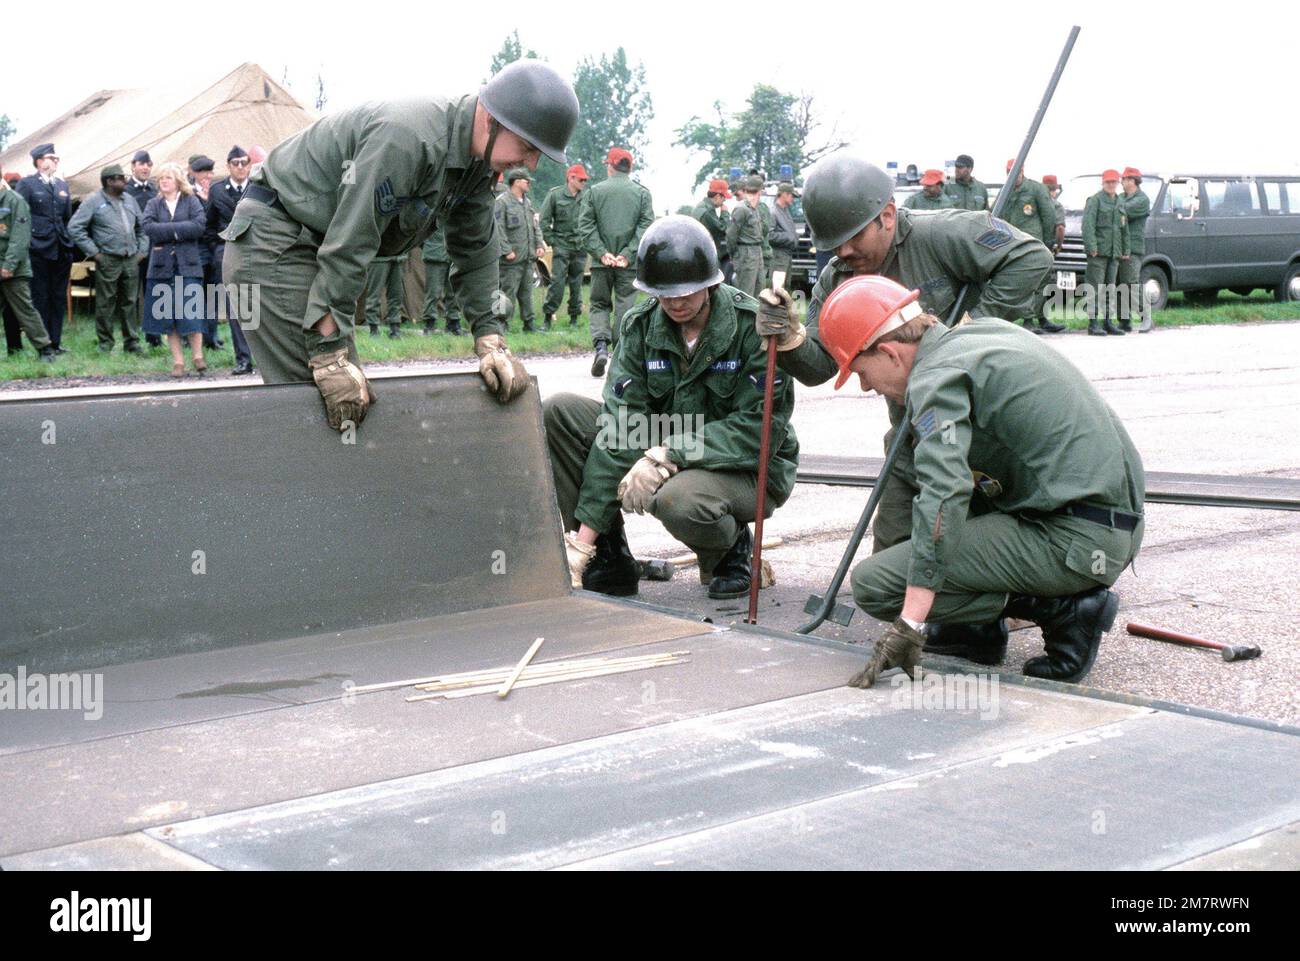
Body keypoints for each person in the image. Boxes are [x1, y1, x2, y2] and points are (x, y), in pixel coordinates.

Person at [755, 156, 1051, 665]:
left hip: (984, 427)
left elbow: (1031, 258)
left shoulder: (946, 234)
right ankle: (959, 620)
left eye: (854, 237)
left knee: (964, 527)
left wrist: (970, 334)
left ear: (888, 215)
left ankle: (1039, 608)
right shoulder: (838, 276)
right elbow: (824, 366)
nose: (845, 253)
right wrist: (790, 337)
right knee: (887, 572)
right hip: (915, 428)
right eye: (835, 244)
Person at [814, 275, 1144, 686]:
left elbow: (943, 491)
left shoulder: (934, 376)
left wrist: (911, 623)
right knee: (927, 549)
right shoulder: (978, 335)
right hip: (1105, 524)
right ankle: (978, 629)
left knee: (875, 585)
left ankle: (1064, 610)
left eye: (862, 371)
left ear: (890, 353)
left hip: (1077, 538)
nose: (865, 385)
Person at [221, 60, 579, 430]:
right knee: (319, 405)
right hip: (276, 243)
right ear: (490, 120)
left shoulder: (478, 163)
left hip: (315, 245)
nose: (532, 164)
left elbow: (476, 247)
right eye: (527, 146)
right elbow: (352, 240)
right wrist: (328, 351)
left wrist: (491, 337)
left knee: (345, 409)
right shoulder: (408, 138)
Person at [544, 215, 798, 600]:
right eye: (664, 294)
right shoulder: (642, 326)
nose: (676, 303)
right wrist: (584, 539)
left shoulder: (752, 327)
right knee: (560, 413)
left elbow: (756, 431)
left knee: (678, 500)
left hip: (745, 465)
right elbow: (622, 424)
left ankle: (732, 550)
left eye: (687, 293)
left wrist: (668, 455)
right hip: (668, 438)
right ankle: (606, 557)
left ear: (711, 283)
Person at [577, 146, 654, 377]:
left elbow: (585, 226)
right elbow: (646, 227)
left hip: (602, 263)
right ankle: (621, 354)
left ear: (610, 166)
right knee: (625, 304)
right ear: (630, 168)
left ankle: (601, 347)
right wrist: (628, 254)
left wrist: (601, 252)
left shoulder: (594, 192)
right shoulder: (642, 193)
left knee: (599, 304)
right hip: (627, 265)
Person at [67, 164, 148, 353]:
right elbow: (75, 227)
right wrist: (95, 253)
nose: (125, 181)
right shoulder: (93, 201)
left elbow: (142, 228)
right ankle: (105, 343)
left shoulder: (130, 200)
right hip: (108, 259)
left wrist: (142, 252)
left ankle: (132, 342)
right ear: (109, 181)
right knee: (105, 303)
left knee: (130, 301)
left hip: (131, 259)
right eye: (121, 178)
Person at [140, 162, 209, 377]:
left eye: (168, 178)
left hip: (187, 265)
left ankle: (198, 356)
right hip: (161, 268)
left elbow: (199, 226)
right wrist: (179, 231)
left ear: (178, 181)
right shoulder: (154, 203)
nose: (163, 182)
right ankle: (178, 361)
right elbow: (148, 227)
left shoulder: (191, 201)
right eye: (161, 178)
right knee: (167, 315)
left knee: (191, 311)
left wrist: (167, 232)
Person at [15, 144, 75, 353]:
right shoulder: (27, 184)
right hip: (38, 248)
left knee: (58, 296)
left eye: (57, 158)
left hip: (60, 247)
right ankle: (44, 344)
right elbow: (22, 216)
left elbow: (66, 216)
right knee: (40, 296)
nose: (56, 161)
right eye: (51, 157)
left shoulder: (62, 185)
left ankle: (56, 342)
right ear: (39, 161)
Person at [205, 146, 256, 374]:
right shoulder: (217, 191)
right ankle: (244, 359)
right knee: (235, 309)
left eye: (244, 162)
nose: (240, 167)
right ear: (228, 166)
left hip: (257, 254)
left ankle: (267, 359)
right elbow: (209, 225)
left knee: (260, 307)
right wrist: (218, 248)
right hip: (228, 254)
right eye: (235, 163)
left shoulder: (258, 188)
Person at [0, 164, 56, 361]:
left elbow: (20, 237)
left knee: (25, 310)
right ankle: (14, 350)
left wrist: (9, 265)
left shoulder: (15, 201)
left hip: (13, 268)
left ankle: (45, 349)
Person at [999, 159, 1061, 334]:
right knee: (1018, 282)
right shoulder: (1005, 191)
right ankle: (1026, 319)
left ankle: (1038, 318)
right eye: (1009, 171)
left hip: (1033, 243)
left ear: (1022, 171)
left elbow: (1048, 216)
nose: (1013, 174)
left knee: (1040, 281)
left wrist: (1048, 242)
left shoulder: (1036, 188)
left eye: (1016, 171)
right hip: (1011, 245)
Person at [539, 163, 589, 330]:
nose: (583, 182)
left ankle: (574, 319)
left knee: (577, 284)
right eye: (581, 179)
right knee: (557, 283)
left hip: (580, 247)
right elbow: (544, 221)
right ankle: (547, 318)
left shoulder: (587, 197)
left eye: (585, 180)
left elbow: (591, 220)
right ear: (571, 178)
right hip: (562, 245)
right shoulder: (555, 195)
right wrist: (554, 242)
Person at [495, 167, 544, 332]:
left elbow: (535, 226)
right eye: (526, 181)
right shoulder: (502, 202)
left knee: (527, 293)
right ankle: (500, 324)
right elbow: (498, 228)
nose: (529, 183)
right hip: (510, 258)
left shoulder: (527, 202)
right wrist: (506, 250)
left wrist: (539, 245)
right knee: (505, 292)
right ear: (516, 182)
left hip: (527, 257)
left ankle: (529, 324)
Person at [1082, 169, 1130, 336]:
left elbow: (1124, 229)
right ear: (1103, 183)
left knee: (1110, 288)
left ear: (1118, 183)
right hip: (1099, 253)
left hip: (1114, 253)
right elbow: (1088, 225)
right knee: (1095, 288)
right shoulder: (1095, 200)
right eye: (1108, 182)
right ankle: (1093, 323)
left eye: (1114, 182)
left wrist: (1125, 249)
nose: (1111, 185)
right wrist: (1092, 247)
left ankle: (1108, 321)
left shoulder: (1120, 202)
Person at [126, 149, 161, 348]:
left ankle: (153, 335)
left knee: (153, 291)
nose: (145, 168)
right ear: (133, 166)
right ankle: (131, 338)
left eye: (148, 164)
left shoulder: (155, 189)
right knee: (131, 295)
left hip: (154, 248)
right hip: (133, 250)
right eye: (141, 164)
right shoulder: (125, 190)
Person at [187, 155, 222, 350]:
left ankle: (212, 336)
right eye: (203, 172)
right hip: (196, 251)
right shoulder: (189, 194)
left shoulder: (214, 193)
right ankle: (191, 337)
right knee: (194, 298)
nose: (207, 176)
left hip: (212, 251)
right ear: (194, 173)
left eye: (209, 172)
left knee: (212, 295)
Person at [1118, 167, 1151, 333]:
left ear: (1132, 181)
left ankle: (1145, 316)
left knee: (1132, 283)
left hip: (1132, 248)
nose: (1121, 183)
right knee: (1119, 284)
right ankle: (1124, 321)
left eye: (1123, 179)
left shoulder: (1142, 200)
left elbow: (1121, 211)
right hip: (1119, 247)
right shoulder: (1122, 197)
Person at [726, 175, 765, 298]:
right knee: (746, 293)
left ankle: (756, 317)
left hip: (756, 251)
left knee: (759, 289)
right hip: (746, 252)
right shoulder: (741, 209)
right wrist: (734, 255)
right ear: (759, 191)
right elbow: (731, 235)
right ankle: (743, 317)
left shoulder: (754, 209)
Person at [420, 225, 463, 335]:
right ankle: (430, 324)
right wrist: (429, 247)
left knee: (453, 291)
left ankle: (453, 322)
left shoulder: (455, 211)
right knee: (433, 292)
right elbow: (419, 235)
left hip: (453, 254)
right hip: (435, 254)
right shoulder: (432, 212)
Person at [691, 178, 732, 284]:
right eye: (724, 198)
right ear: (718, 196)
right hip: (706, 256)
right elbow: (722, 229)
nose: (724, 201)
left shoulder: (701, 206)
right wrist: (725, 213)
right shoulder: (708, 211)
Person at [363, 253, 407, 337]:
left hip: (398, 257)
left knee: (396, 294)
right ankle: (373, 329)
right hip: (378, 257)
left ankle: (395, 329)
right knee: (374, 295)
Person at [769, 182, 799, 284]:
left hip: (787, 256)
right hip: (778, 258)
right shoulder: (773, 212)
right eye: (791, 195)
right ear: (784, 194)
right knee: (777, 290)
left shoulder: (785, 211)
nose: (793, 199)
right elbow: (769, 235)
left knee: (785, 288)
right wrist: (788, 237)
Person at [1042, 174, 1066, 256]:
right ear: (1055, 189)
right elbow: (1060, 228)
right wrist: (1059, 246)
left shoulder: (1033, 203)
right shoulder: (1057, 206)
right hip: (1046, 248)